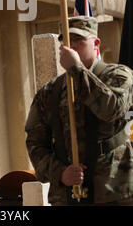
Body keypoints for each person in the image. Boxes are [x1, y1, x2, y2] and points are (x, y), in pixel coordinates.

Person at [25, 16, 133, 206]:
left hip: (114, 190)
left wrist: (77, 69)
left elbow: (112, 109)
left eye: (78, 40)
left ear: (96, 43)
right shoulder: (50, 92)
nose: (72, 46)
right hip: (68, 195)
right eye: (66, 41)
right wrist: (60, 173)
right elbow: (35, 143)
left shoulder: (118, 75)